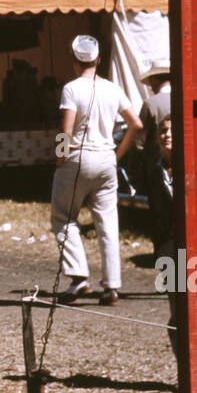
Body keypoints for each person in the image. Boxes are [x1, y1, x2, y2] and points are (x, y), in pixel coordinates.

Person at [52, 35, 140, 307]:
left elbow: (66, 131)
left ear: (75, 60)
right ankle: (111, 286)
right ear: (98, 60)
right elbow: (135, 123)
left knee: (63, 216)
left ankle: (79, 276)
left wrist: (59, 157)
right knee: (108, 223)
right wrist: (117, 154)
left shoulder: (71, 88)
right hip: (105, 157)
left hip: (79, 156)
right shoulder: (112, 89)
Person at [143, 116, 180, 356]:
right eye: (162, 131)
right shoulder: (154, 172)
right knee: (177, 314)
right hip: (170, 251)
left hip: (196, 250)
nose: (166, 135)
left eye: (171, 131)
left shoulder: (191, 166)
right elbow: (155, 218)